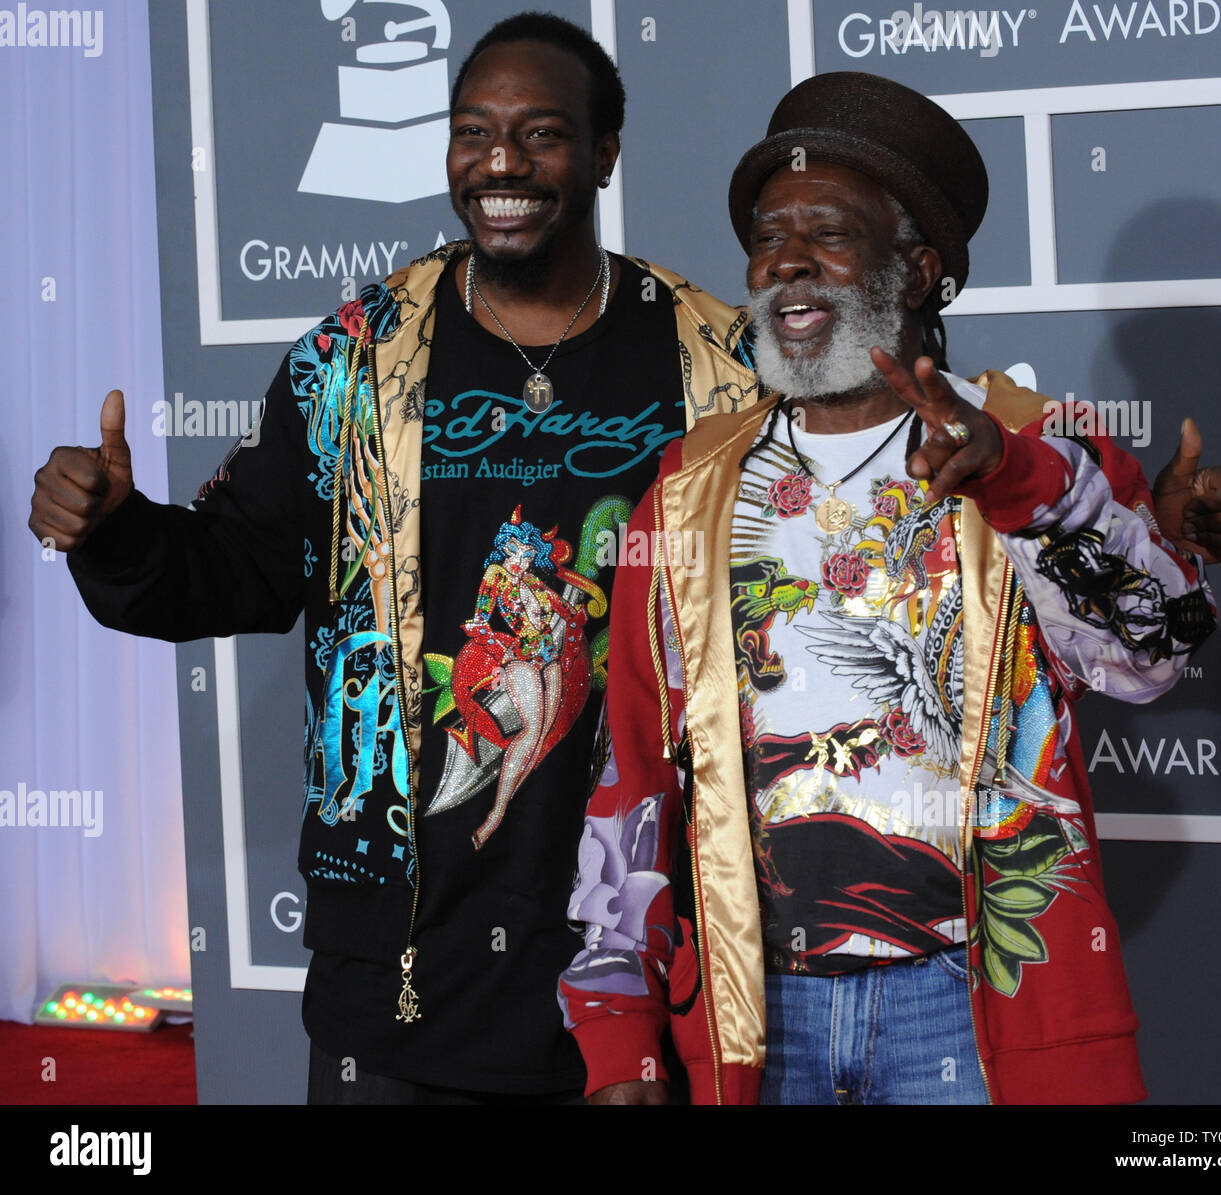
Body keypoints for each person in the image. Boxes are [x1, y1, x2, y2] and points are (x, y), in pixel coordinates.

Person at [26, 12, 763, 1104]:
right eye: (474, 132)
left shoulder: (718, 364)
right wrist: (115, 528)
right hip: (402, 970)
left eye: (541, 133)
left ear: (605, 152)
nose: (501, 163)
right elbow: (239, 565)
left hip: (642, 962)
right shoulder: (356, 356)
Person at [557, 71, 1221, 1105]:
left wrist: (1013, 484)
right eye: (768, 235)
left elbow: (1151, 654)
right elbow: (630, 760)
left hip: (973, 1008)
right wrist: (618, 1023)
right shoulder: (689, 488)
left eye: (828, 232)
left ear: (918, 270)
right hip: (759, 1015)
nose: (785, 259)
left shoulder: (1035, 447)